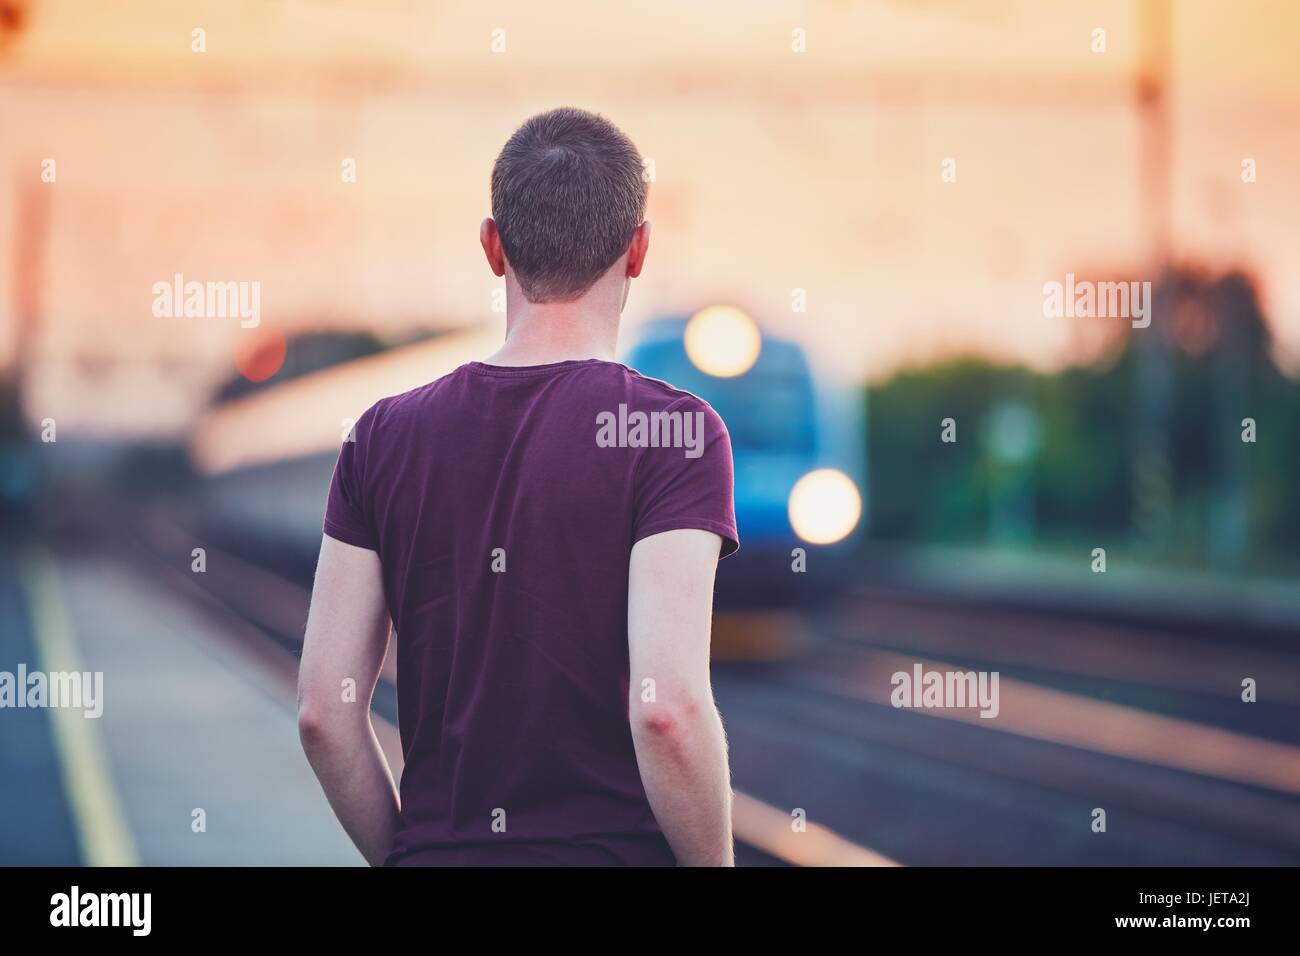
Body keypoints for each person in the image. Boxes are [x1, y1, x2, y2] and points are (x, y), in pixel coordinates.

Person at [297, 107, 739, 866]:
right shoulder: (677, 434)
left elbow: (321, 714)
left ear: (492, 247)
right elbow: (666, 711)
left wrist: (410, 854)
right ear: (638, 250)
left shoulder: (381, 436)